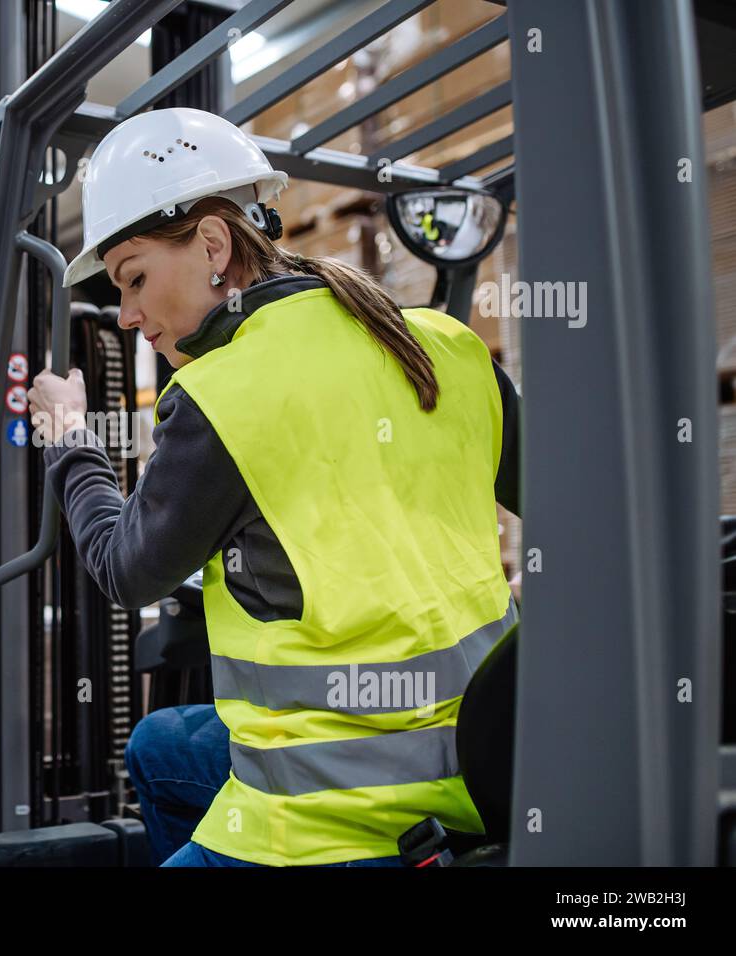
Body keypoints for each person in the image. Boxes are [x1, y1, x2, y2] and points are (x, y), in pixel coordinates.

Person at [27, 108, 521, 867]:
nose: (127, 316)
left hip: (328, 812)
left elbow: (124, 569)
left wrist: (68, 440)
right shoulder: (449, 347)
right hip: (484, 762)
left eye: (134, 279)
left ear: (214, 245)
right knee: (160, 746)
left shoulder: (225, 393)